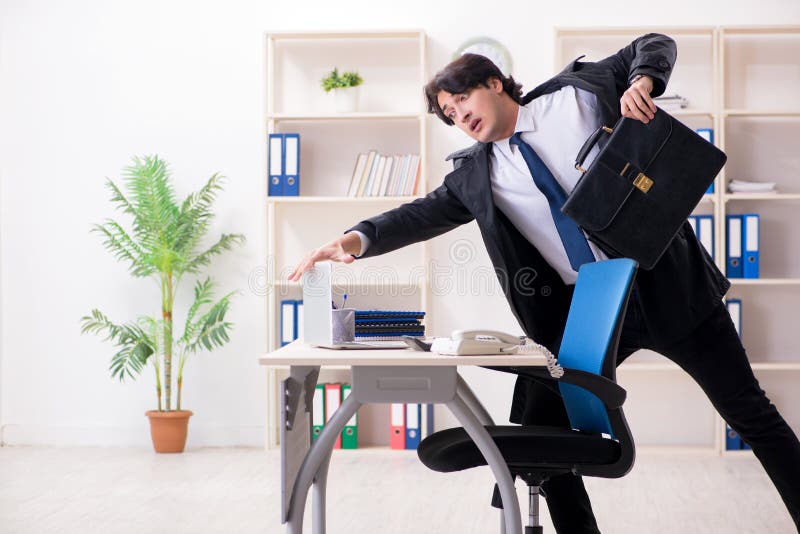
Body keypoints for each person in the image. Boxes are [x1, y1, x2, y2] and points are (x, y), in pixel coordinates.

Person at [289, 33, 800, 533]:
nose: (460, 116)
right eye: (449, 115)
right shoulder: (477, 173)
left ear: (495, 82)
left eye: (462, 99)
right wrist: (353, 240)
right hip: (590, 306)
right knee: (538, 432)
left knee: (750, 413)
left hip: (667, 283)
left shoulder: (574, 94)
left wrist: (643, 80)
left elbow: (654, 42)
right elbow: (419, 214)